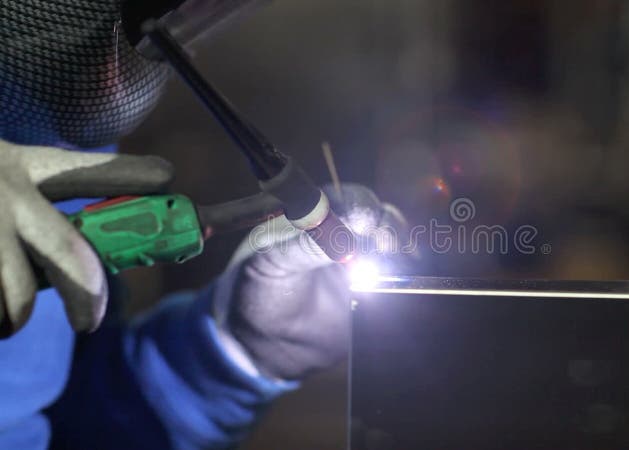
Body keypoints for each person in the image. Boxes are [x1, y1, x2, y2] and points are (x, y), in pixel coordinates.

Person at [0, 2, 396, 448]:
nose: (110, 88)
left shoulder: (51, 112)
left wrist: (232, 356)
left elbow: (60, 413)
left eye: (170, 39)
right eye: (59, 30)